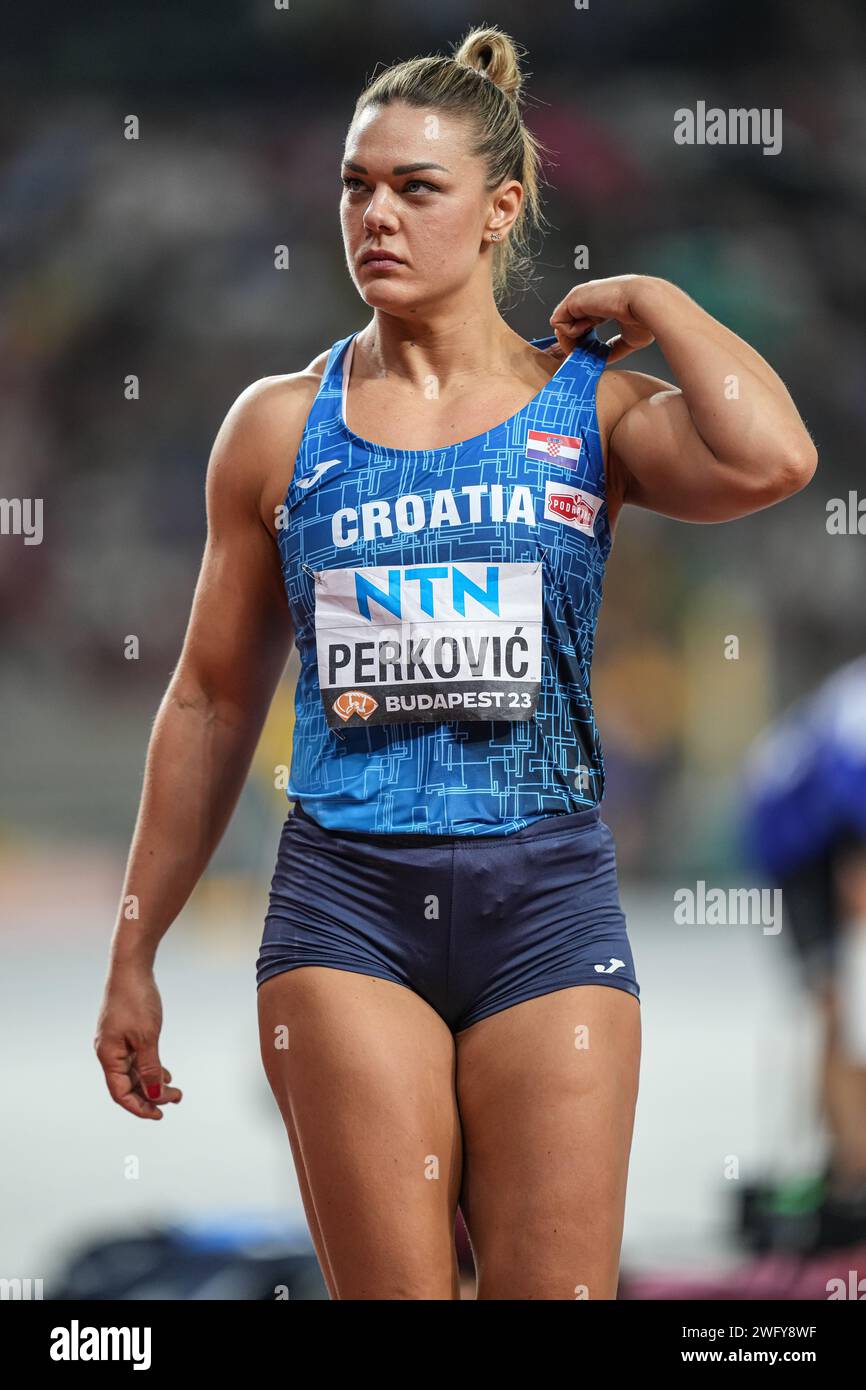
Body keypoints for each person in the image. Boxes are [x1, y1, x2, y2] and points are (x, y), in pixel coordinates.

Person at [94, 24, 817, 1299]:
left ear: (498, 212)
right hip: (345, 907)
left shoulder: (585, 407)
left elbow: (772, 460)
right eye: (354, 185)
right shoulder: (275, 428)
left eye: (414, 189)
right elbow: (209, 698)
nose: (373, 214)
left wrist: (658, 302)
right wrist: (134, 950)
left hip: (546, 905)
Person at [740, 656, 866, 1253]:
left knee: (843, 1011)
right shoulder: (854, 709)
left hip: (816, 824)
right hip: (801, 848)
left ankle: (846, 1162)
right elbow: (847, 822)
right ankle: (852, 1172)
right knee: (843, 1008)